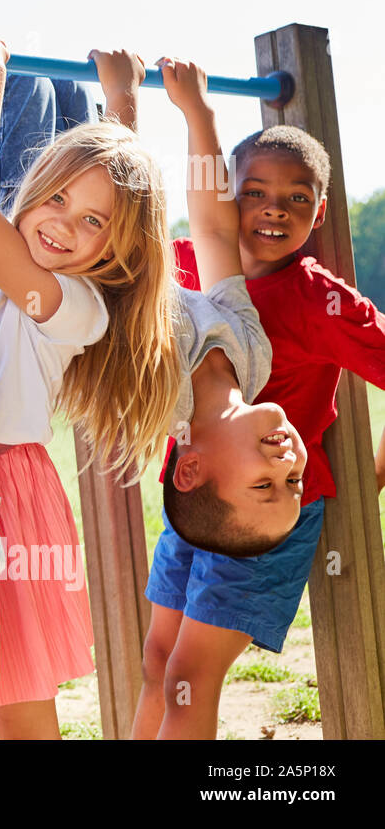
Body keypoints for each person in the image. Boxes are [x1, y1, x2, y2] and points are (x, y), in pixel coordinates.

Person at [0, 34, 179, 738]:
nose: (63, 224)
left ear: (114, 246)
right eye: (53, 199)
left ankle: (15, 85)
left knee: (15, 699)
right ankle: (71, 102)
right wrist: (121, 101)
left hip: (2, 498)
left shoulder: (75, 303)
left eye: (90, 223)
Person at [138, 83, 385, 739]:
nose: (275, 211)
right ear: (230, 194)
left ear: (320, 210)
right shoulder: (193, 267)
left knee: (190, 676)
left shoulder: (316, 299)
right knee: (158, 663)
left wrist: (376, 471)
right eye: (255, 193)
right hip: (194, 495)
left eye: (297, 199)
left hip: (269, 511)